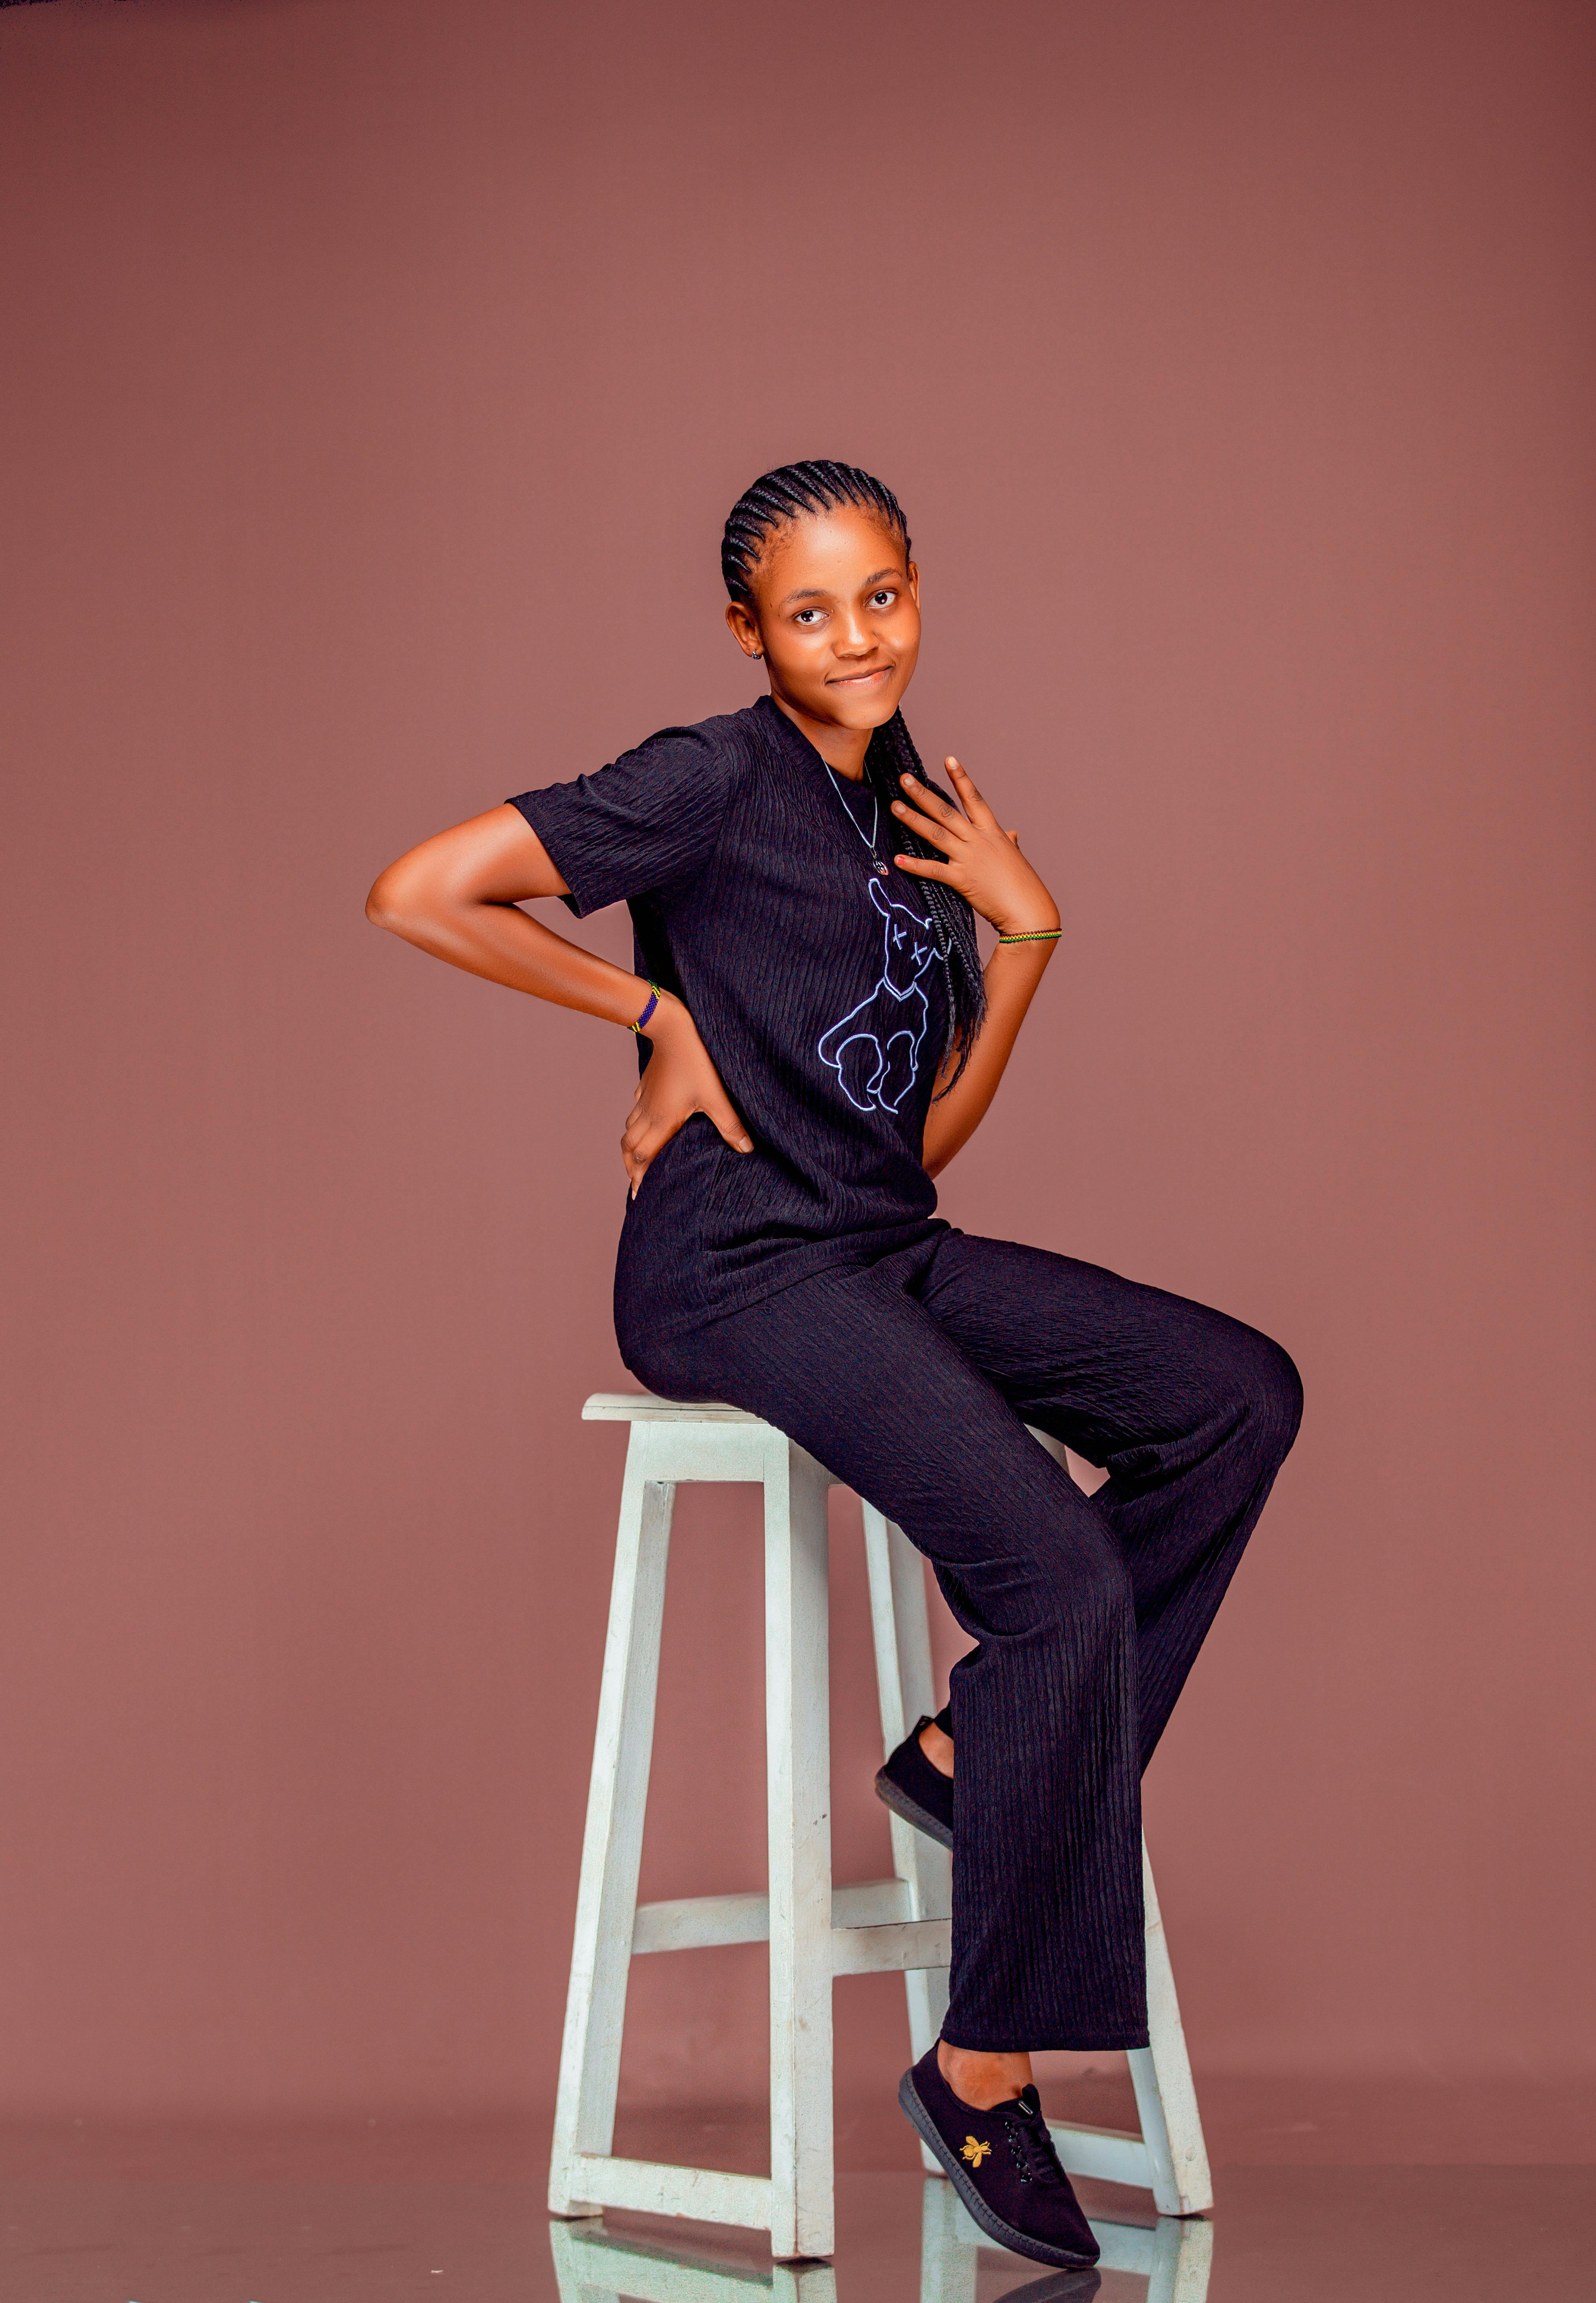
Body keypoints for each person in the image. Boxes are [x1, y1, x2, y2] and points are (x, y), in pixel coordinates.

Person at [366, 461, 1302, 2269]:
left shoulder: (913, 812)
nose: (852, 635)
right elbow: (425, 889)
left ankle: (973, 1750)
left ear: (917, 589)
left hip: (872, 1244)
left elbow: (914, 1140)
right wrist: (653, 1017)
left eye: (879, 595)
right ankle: (979, 2066)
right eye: (809, 610)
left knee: (1234, 1393)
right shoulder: (711, 775)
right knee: (1055, 1576)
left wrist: (1021, 939)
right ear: (747, 629)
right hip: (727, 1265)